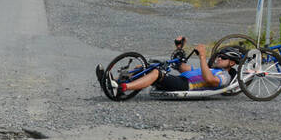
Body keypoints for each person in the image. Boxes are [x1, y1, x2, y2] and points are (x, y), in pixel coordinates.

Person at [97, 37, 239, 96]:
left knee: (156, 73)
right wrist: (179, 48)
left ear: (232, 63)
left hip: (185, 86)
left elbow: (210, 81)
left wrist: (202, 57)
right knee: (147, 66)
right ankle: (112, 82)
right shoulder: (212, 69)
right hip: (180, 80)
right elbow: (183, 68)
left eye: (223, 58)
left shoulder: (224, 76)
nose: (219, 58)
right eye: (219, 56)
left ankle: (123, 87)